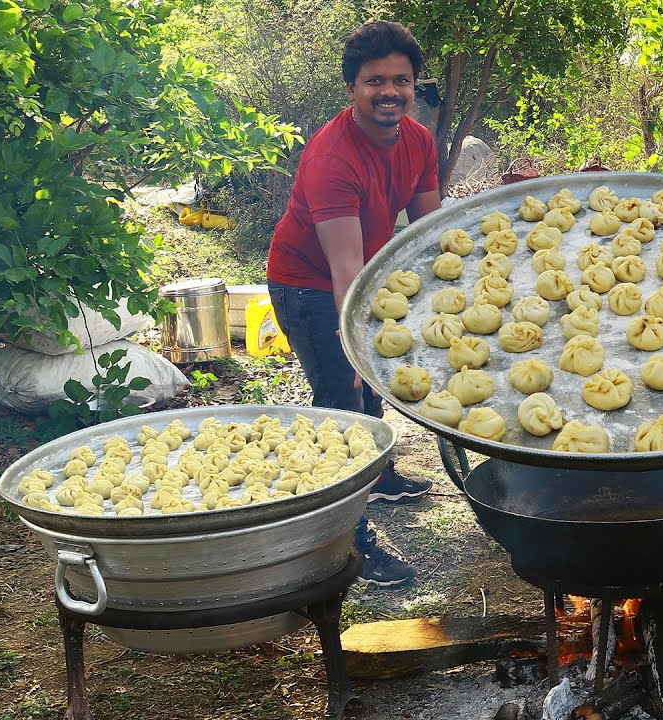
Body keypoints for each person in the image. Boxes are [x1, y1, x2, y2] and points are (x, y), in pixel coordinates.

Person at [266, 21, 442, 587]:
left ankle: (381, 474)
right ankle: (350, 539)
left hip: (365, 278)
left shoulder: (417, 141)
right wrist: (358, 353)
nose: (389, 92)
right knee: (343, 401)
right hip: (309, 283)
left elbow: (429, 233)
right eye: (375, 82)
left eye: (401, 81)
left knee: (373, 391)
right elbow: (343, 270)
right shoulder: (332, 158)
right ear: (351, 88)